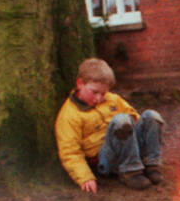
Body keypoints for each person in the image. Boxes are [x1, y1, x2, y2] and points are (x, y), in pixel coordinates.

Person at [55, 57, 165, 192]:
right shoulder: (69, 115)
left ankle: (151, 165)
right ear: (80, 84)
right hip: (106, 159)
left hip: (129, 148)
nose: (99, 98)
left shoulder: (113, 99)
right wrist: (84, 177)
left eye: (103, 93)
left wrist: (146, 133)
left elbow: (135, 118)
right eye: (94, 92)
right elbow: (70, 152)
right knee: (121, 121)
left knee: (151, 116)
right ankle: (130, 172)